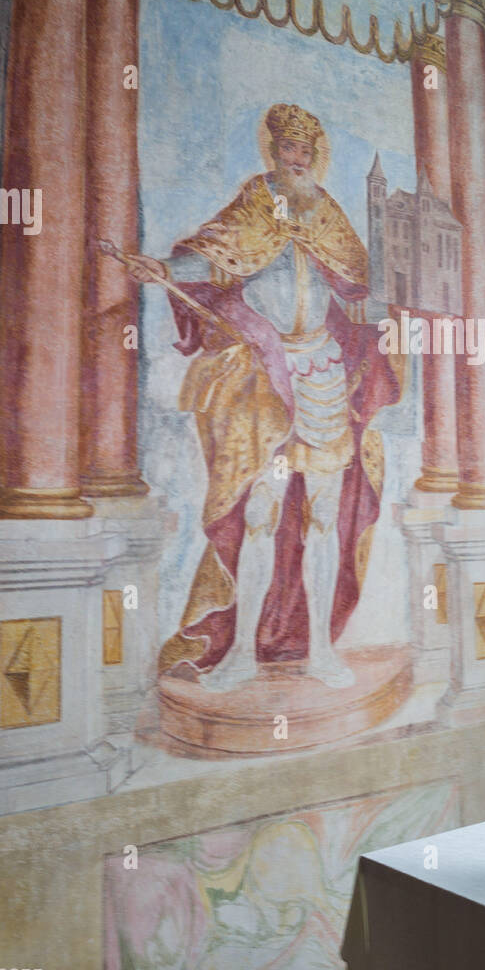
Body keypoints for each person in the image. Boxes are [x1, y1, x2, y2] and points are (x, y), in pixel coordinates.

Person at [125, 103, 399, 691]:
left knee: (324, 515)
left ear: (315, 156)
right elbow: (215, 252)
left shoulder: (327, 213)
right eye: (284, 151)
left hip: (323, 373)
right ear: (272, 153)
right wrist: (165, 266)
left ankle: (321, 649)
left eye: (303, 152)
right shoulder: (255, 203)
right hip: (266, 381)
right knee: (259, 514)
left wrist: (377, 309)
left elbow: (361, 280)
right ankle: (242, 656)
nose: (294, 161)